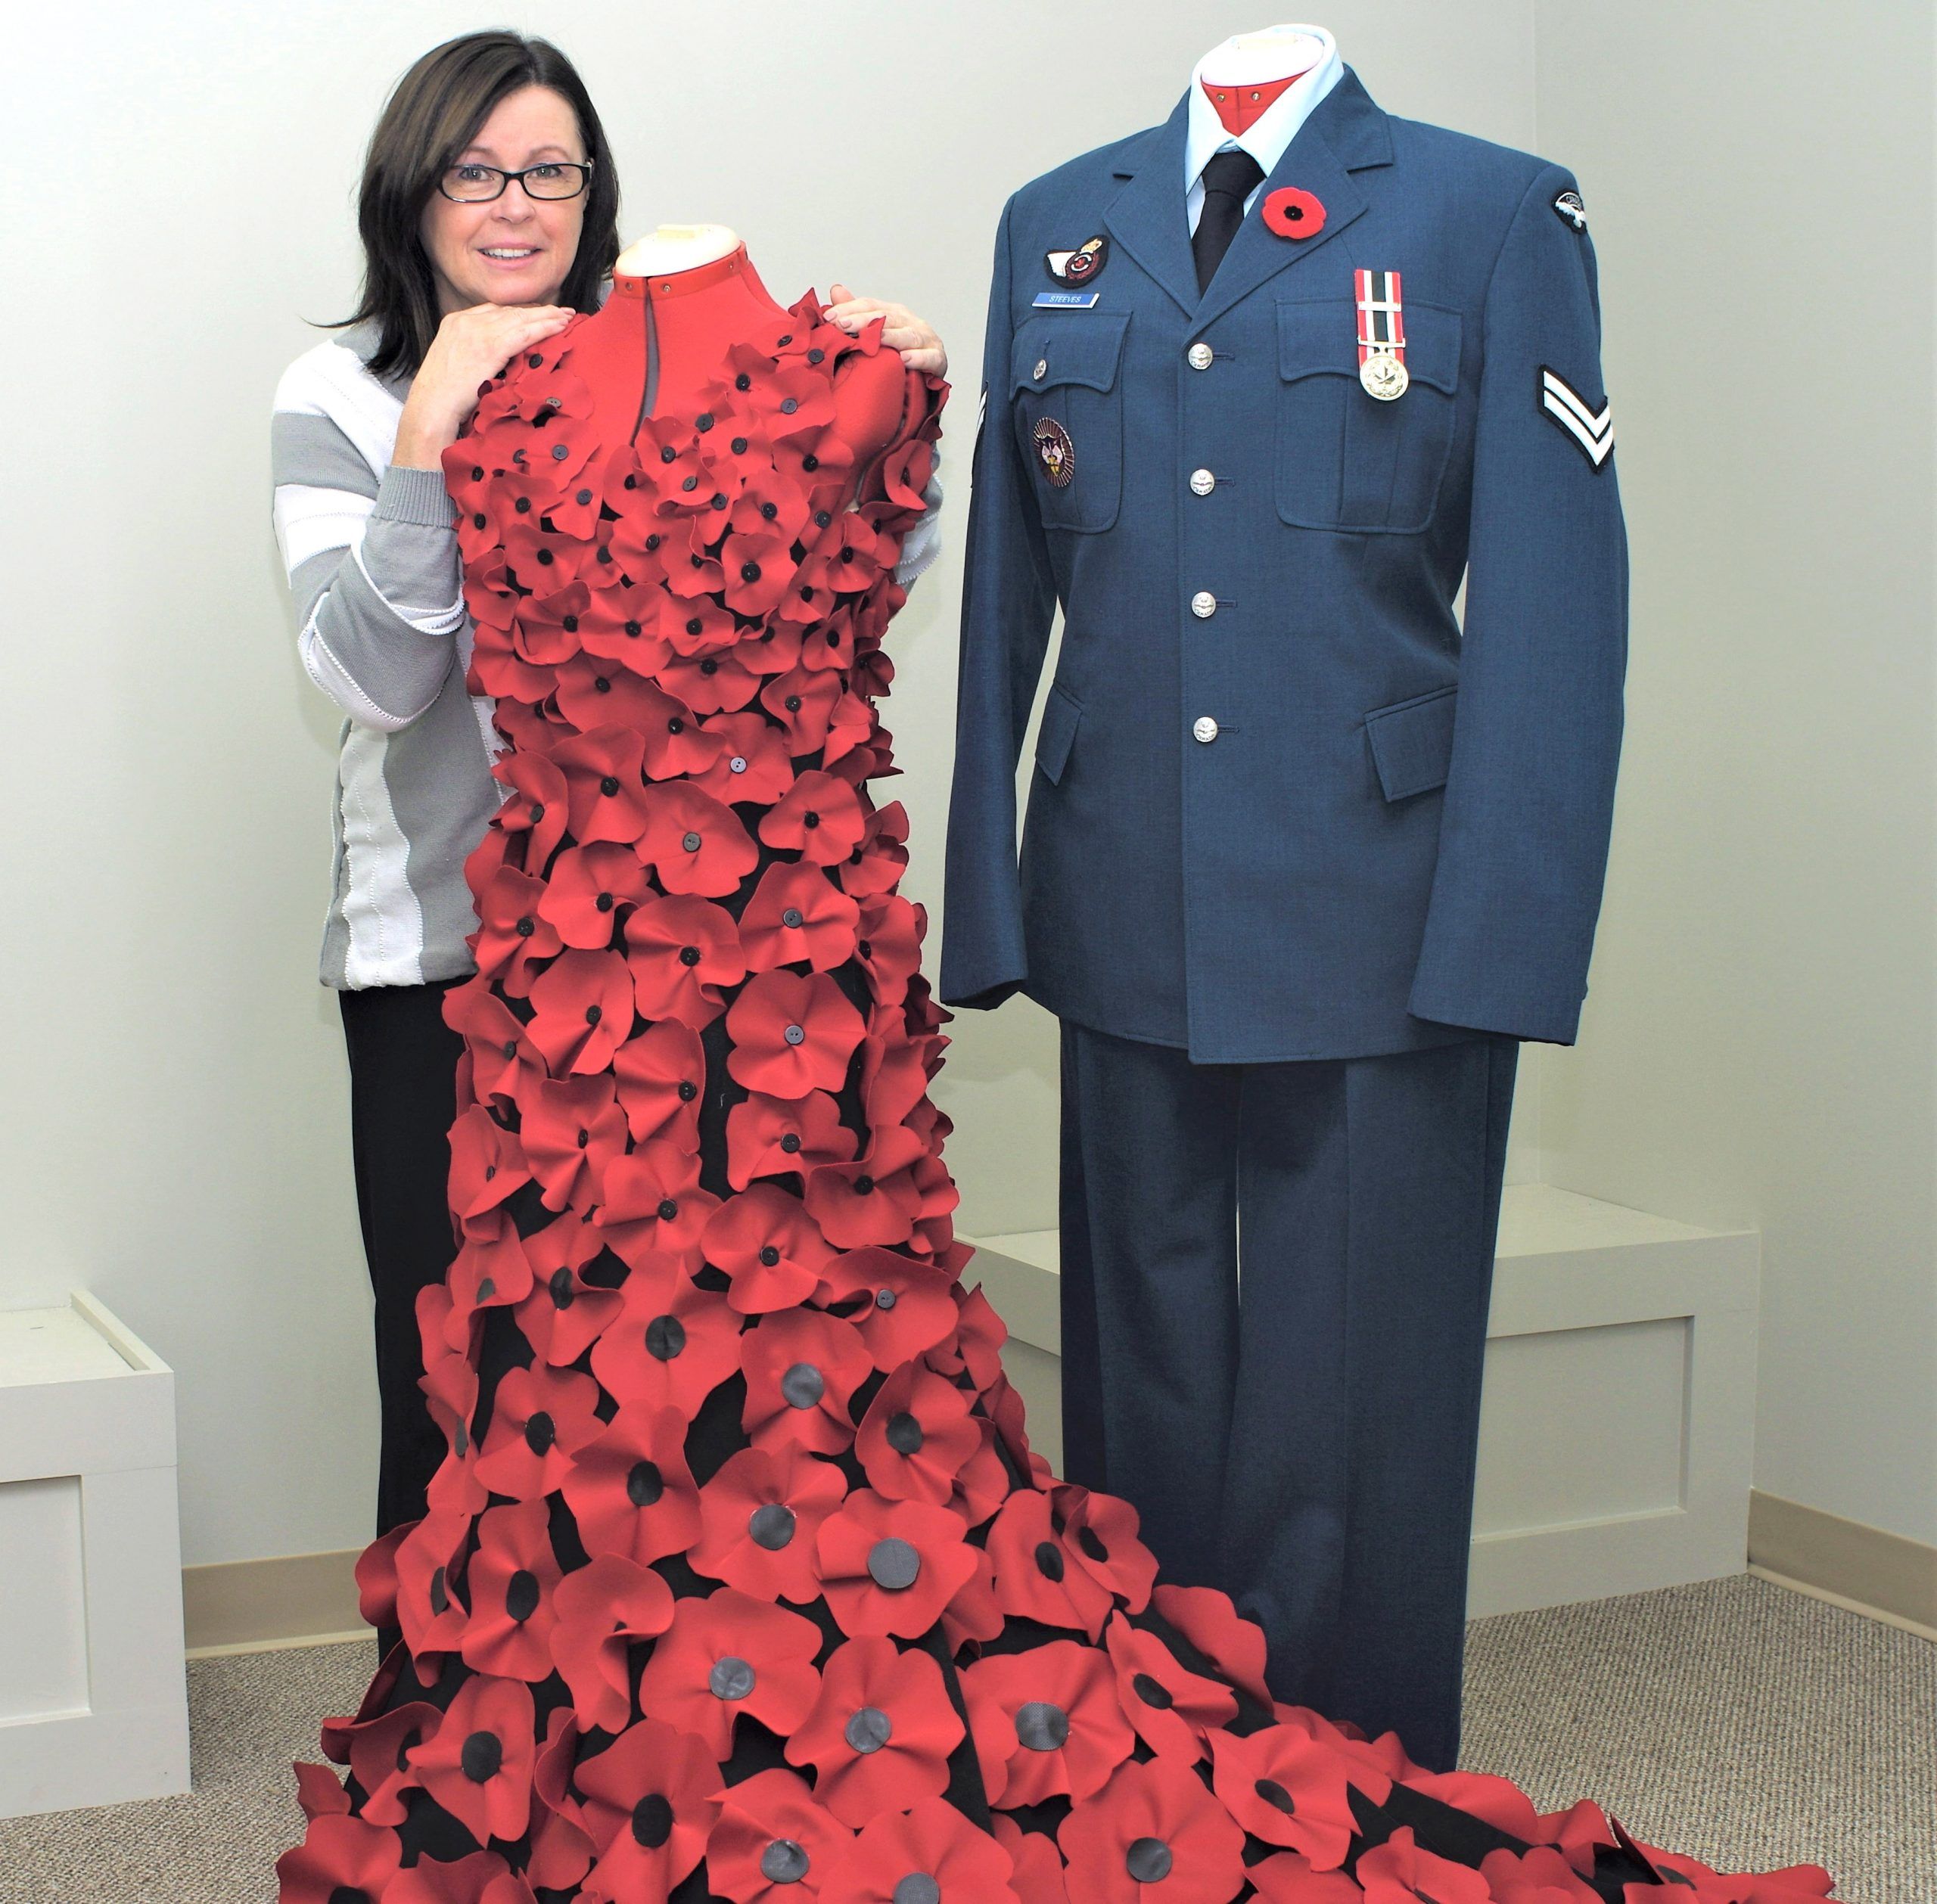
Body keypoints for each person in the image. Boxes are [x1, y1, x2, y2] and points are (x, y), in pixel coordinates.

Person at [269, 28, 948, 1585]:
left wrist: (908, 419)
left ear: (592, 192)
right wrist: (430, 433)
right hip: (442, 954)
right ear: (415, 190)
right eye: (477, 171)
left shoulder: (648, 368)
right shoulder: (341, 392)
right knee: (449, 1360)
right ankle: (435, 1749)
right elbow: (371, 676)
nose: (515, 205)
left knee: (637, 1384)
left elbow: (821, 612)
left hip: (649, 974)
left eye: (550, 172)